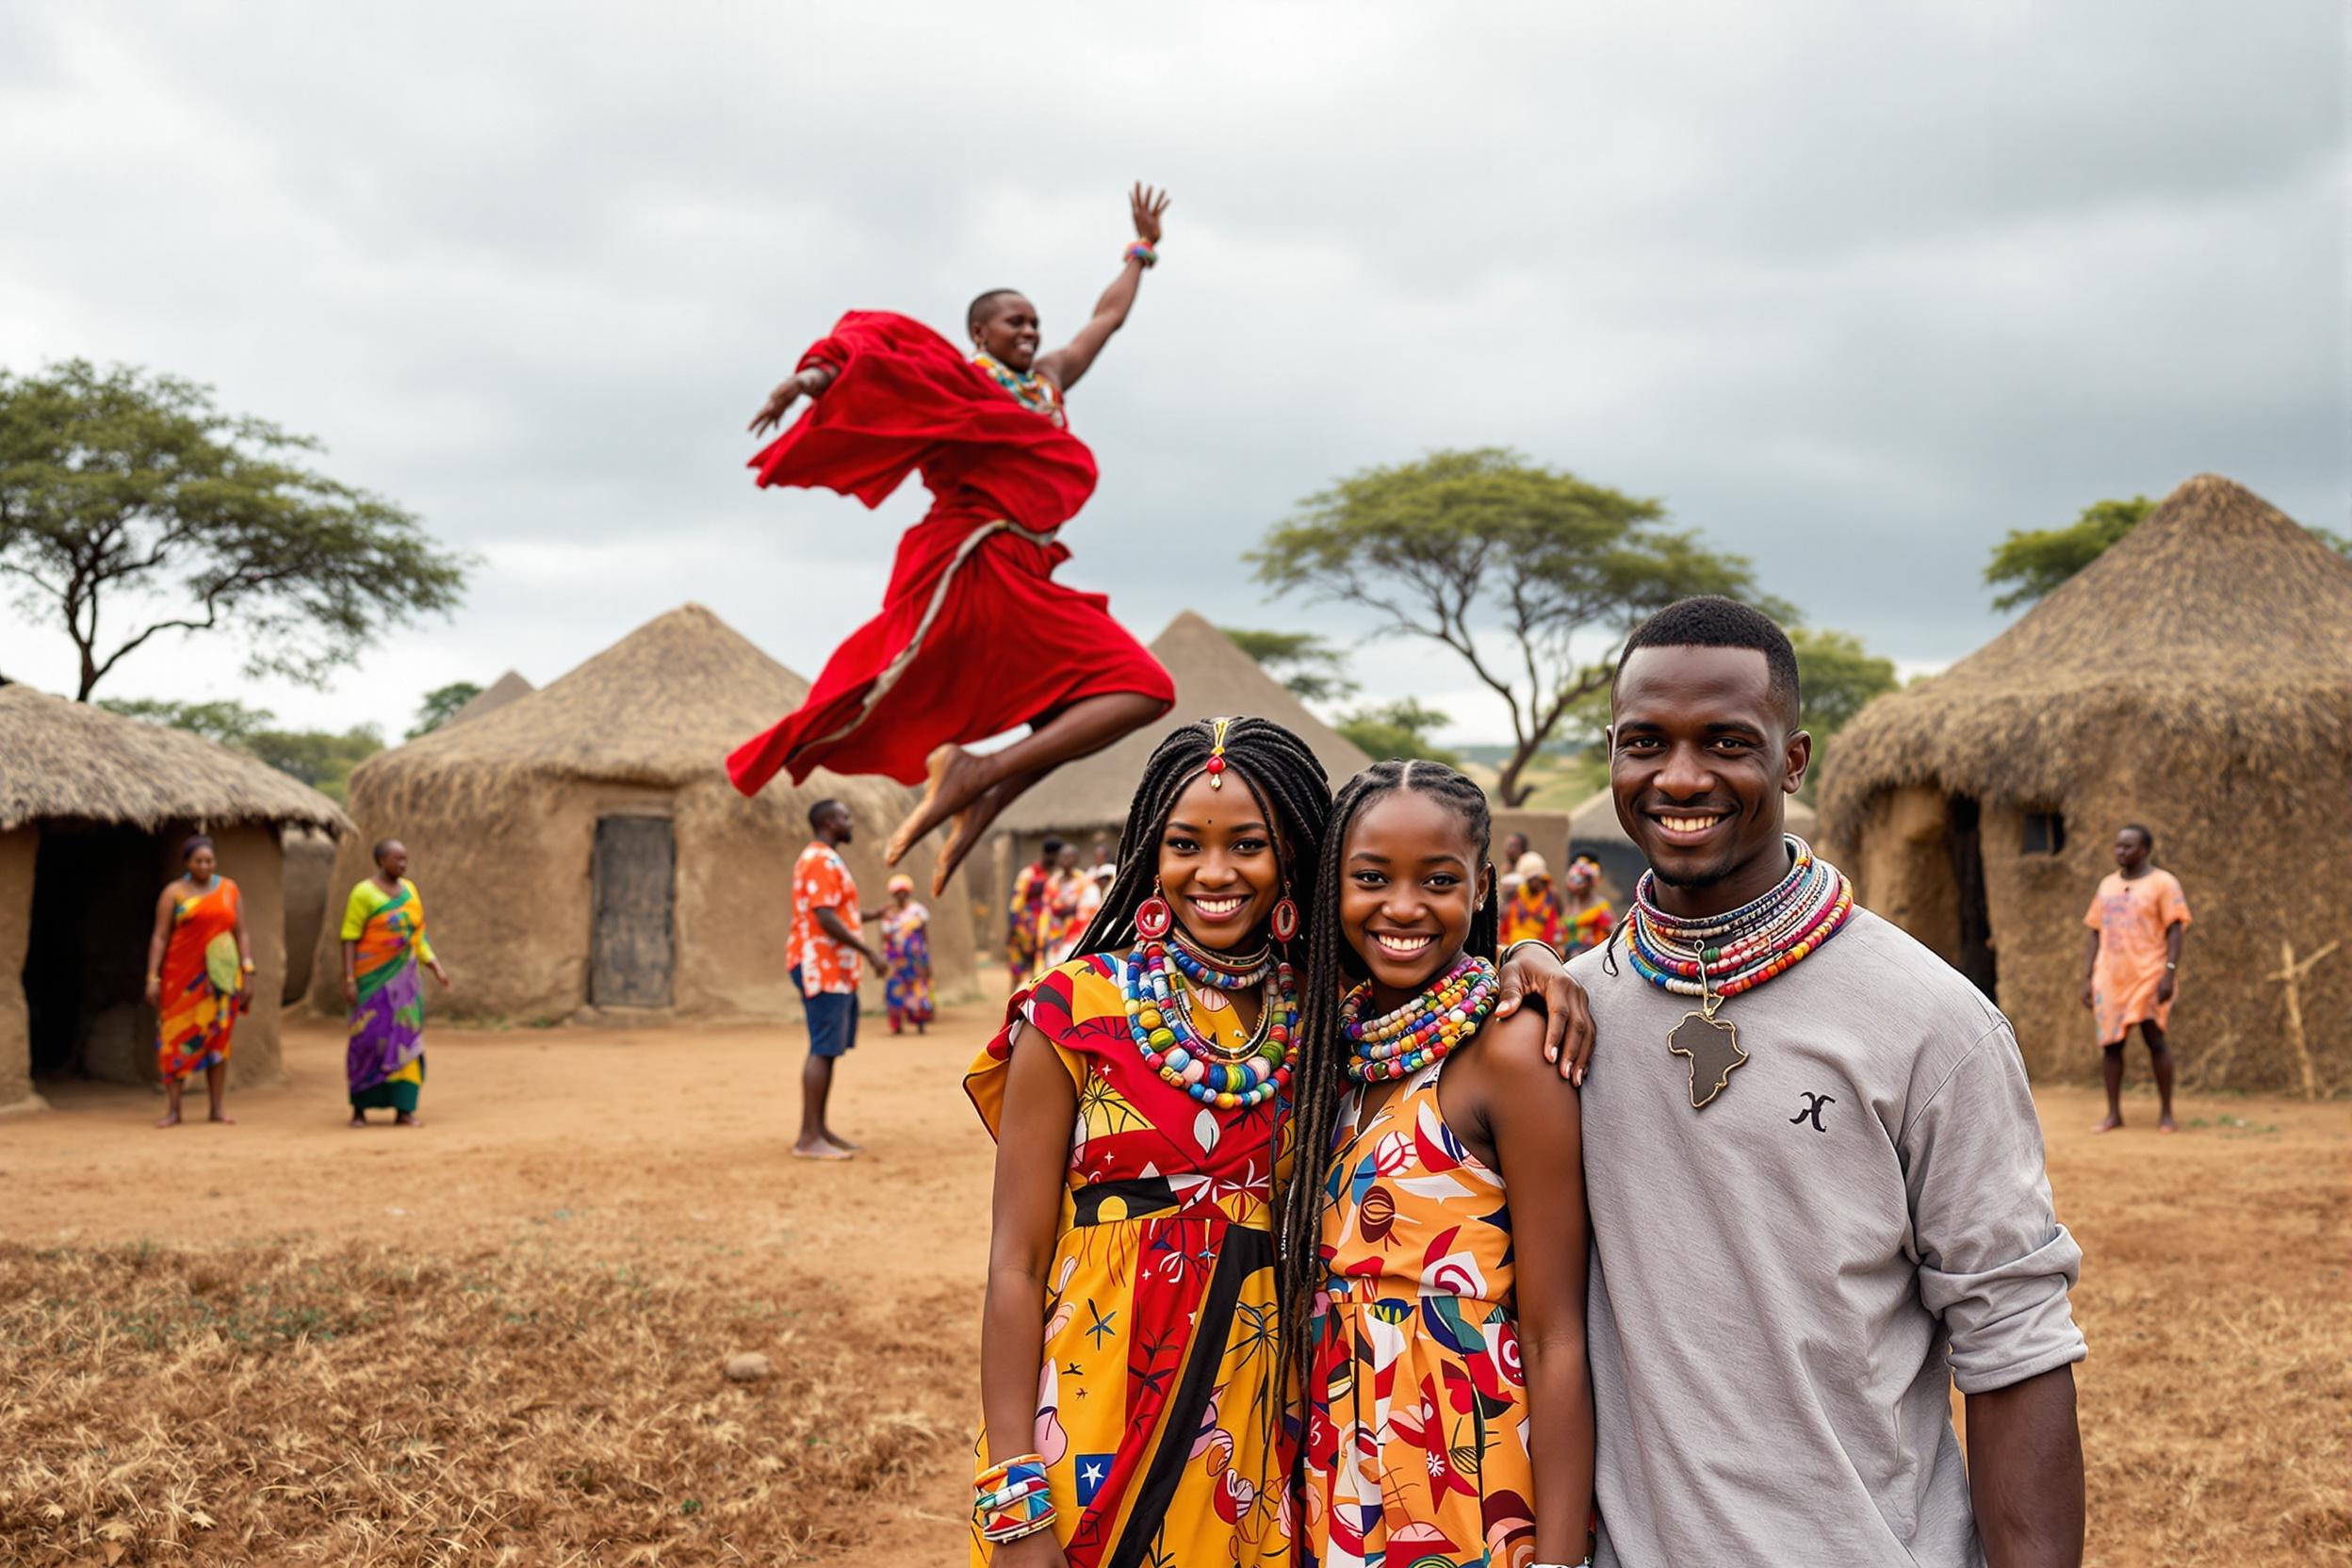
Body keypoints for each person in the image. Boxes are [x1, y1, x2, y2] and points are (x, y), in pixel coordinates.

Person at [967, 717, 1595, 1568]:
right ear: (1150, 853)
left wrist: (1529, 954)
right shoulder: (1073, 1012)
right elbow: (1014, 1262)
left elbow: (1435, 966)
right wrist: (1014, 1495)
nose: (1215, 872)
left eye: (1249, 845)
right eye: (1185, 843)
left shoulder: (1323, 1020)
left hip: (1268, 1445)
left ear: (1291, 864)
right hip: (1085, 1414)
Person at [1570, 596, 2085, 1567]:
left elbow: (2015, 1340)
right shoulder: (1567, 1013)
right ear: (1612, 754)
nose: (1680, 775)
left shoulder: (1933, 1022)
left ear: (1794, 759)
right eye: (1645, 742)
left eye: (1726, 741)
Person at [730, 186, 1183, 895]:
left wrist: (1142, 251)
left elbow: (1106, 319)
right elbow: (875, 367)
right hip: (977, 563)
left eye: (1034, 321)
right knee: (1129, 691)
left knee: (1142, 690)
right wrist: (807, 379)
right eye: (1013, 323)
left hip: (1032, 576)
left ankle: (988, 790)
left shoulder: (1052, 381)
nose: (1029, 333)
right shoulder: (960, 382)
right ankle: (976, 775)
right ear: (980, 334)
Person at [1283, 760, 1594, 1568]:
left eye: (1439, 879)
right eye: (1371, 878)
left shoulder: (1510, 1054)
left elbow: (1557, 1332)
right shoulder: (1329, 1054)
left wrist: (1559, 1560)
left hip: (1466, 1469)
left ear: (1483, 886)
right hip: (1335, 1465)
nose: (1404, 907)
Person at [791, 798, 887, 1161]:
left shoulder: (827, 860)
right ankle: (807, 1137)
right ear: (830, 822)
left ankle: (819, 1128)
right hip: (821, 964)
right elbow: (824, 918)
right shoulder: (819, 860)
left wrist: (869, 916)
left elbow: (838, 912)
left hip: (834, 967)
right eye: (845, 817)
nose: (851, 823)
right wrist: (869, 951)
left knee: (828, 1050)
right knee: (822, 1047)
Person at [2082, 824, 2190, 1134]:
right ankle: (2113, 1113)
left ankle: (2167, 1113)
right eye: (2117, 846)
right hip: (2111, 977)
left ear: (2144, 850)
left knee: (2154, 1039)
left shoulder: (2164, 884)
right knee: (2111, 1046)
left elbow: (2175, 929)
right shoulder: (2106, 886)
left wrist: (2169, 972)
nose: (2120, 851)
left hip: (2149, 973)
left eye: (2128, 846)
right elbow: (2094, 932)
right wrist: (2087, 976)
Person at [341, 840, 453, 1126]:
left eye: (405, 859)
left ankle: (404, 1108)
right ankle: (360, 1108)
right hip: (371, 981)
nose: (403, 865)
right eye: (396, 859)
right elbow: (350, 937)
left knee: (406, 1039)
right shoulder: (363, 893)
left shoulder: (411, 891)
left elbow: (418, 936)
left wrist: (435, 966)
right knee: (367, 1039)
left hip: (406, 985)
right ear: (381, 861)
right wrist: (350, 978)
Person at [144, 835, 252, 1128]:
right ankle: (174, 1109)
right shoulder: (174, 893)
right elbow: (160, 936)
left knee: (218, 1041)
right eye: (198, 861)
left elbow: (241, 932)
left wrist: (248, 969)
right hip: (180, 978)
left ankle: (216, 1108)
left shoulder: (229, 890)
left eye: (209, 861)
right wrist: (152, 976)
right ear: (187, 864)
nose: (204, 866)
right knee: (175, 1040)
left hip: (221, 980)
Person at [874, 874, 936, 1037]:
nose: (901, 895)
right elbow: (884, 939)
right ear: (893, 894)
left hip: (916, 961)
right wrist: (881, 959)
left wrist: (927, 960)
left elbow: (924, 935)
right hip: (895, 962)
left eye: (904, 892)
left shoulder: (918, 911)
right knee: (895, 991)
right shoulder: (887, 914)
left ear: (908, 893)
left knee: (918, 991)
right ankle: (897, 1026)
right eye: (897, 892)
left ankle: (920, 1023)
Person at [1006, 838, 1065, 989]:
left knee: (1038, 971)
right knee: (1018, 970)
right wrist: (1013, 929)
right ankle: (1012, 1003)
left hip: (1044, 932)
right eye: (1057, 855)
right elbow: (1016, 903)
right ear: (1049, 854)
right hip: (1024, 931)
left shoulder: (1057, 876)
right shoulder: (1028, 874)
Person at [1500, 849, 1565, 953]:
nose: (1535, 883)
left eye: (1536, 879)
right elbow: (1507, 924)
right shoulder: (1518, 895)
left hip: (1538, 948)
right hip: (1512, 946)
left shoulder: (1549, 896)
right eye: (1530, 880)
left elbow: (1552, 927)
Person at [1561, 855, 1614, 956]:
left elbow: (1614, 933)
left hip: (1593, 958)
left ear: (1590, 882)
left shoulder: (1600, 907)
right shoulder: (1571, 905)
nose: (1575, 884)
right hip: (1570, 959)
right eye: (1572, 879)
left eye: (1579, 881)